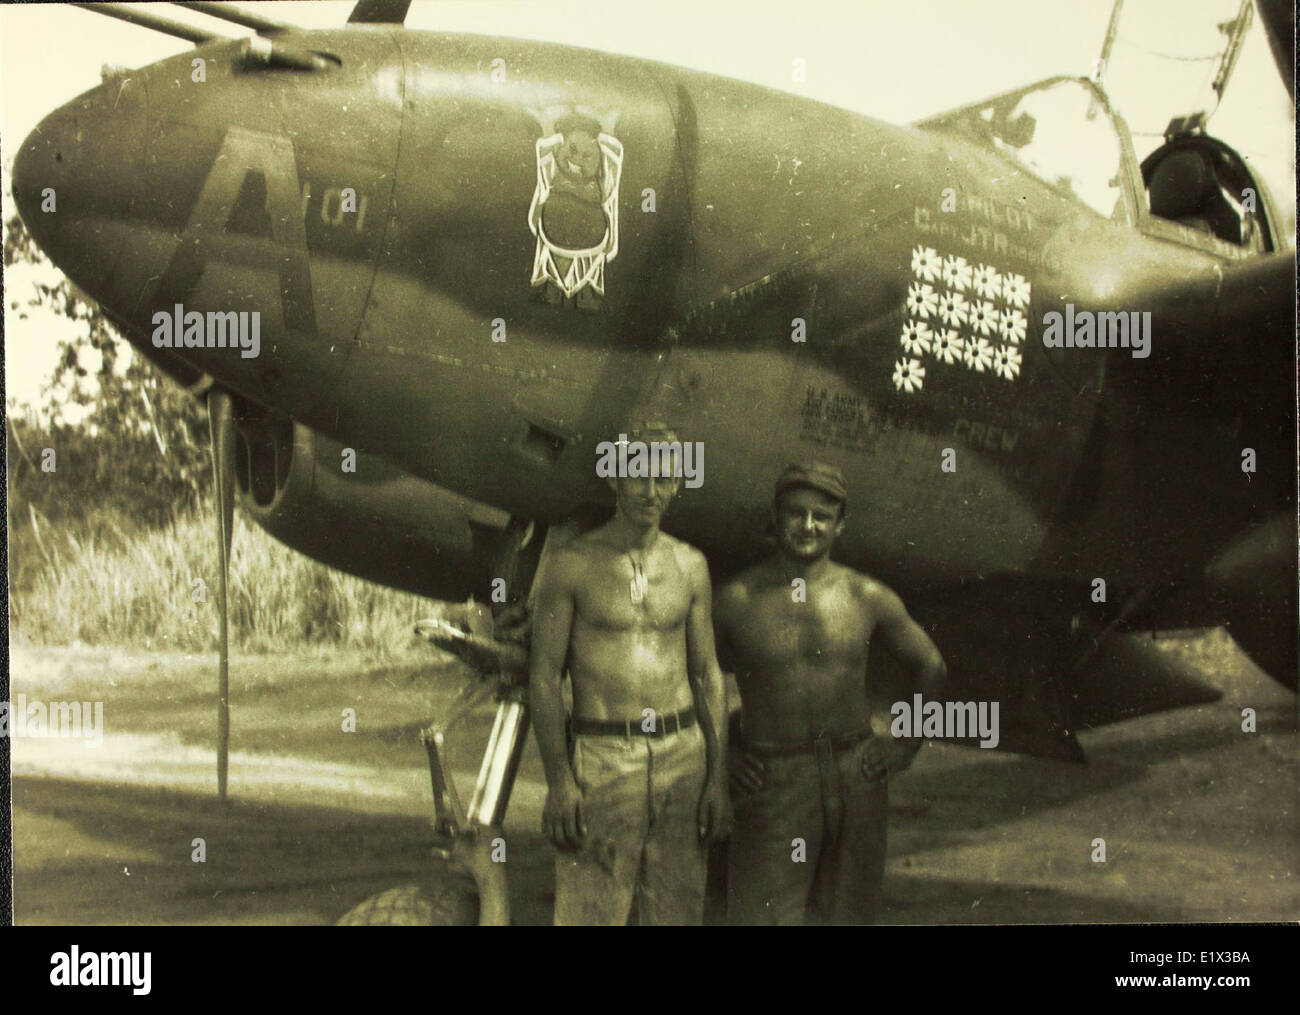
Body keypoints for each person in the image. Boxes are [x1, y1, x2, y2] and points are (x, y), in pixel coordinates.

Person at [714, 462, 946, 925]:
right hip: (773, 778)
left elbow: (931, 666)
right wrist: (723, 760)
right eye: (795, 513)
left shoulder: (866, 595)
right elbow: (692, 679)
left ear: (840, 525)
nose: (808, 526)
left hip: (855, 772)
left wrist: (905, 745)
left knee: (849, 916)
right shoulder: (736, 600)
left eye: (821, 516)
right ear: (775, 518)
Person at [529, 424, 730, 925]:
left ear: (679, 482)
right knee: (591, 914)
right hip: (604, 757)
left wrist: (717, 778)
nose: (651, 490)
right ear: (615, 479)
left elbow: (708, 675)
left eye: (664, 477)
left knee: (677, 913)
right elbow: (544, 676)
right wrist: (559, 781)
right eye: (637, 475)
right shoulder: (571, 566)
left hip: (681, 754)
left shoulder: (690, 566)